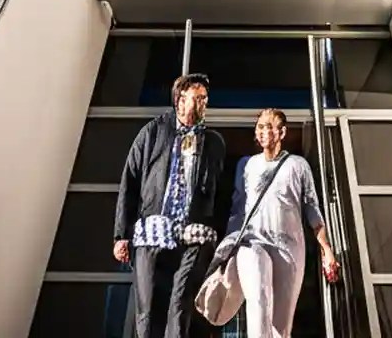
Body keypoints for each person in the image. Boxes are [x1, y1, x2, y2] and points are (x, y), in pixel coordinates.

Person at [114, 73, 226, 338]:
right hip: (152, 231)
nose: (201, 104)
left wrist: (219, 236)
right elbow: (129, 180)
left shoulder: (213, 143)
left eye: (204, 99)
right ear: (179, 101)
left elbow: (220, 193)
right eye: (195, 98)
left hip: (194, 233)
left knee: (180, 304)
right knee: (148, 307)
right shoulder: (153, 132)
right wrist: (121, 234)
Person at [226, 108, 339, 338]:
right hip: (252, 243)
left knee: (281, 328)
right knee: (257, 303)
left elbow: (312, 210)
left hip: (289, 248)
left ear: (282, 132)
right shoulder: (246, 166)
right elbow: (237, 209)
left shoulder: (298, 166)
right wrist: (229, 246)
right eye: (260, 127)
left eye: (269, 126)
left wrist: (326, 250)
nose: (263, 131)